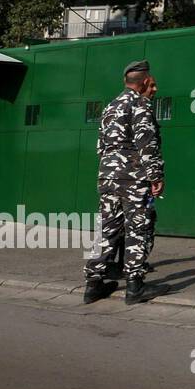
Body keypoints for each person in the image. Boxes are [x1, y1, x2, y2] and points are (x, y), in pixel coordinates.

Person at [83, 60, 165, 304]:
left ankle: (93, 284)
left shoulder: (111, 106)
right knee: (138, 228)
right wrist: (155, 176)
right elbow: (146, 143)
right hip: (132, 176)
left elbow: (100, 146)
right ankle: (134, 287)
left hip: (108, 175)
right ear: (145, 83)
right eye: (153, 84)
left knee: (107, 228)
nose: (155, 89)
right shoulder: (141, 105)